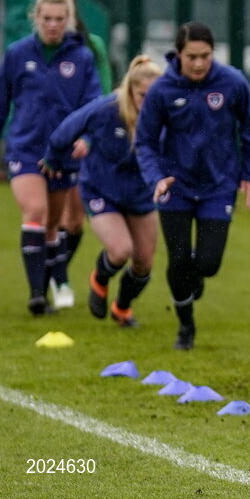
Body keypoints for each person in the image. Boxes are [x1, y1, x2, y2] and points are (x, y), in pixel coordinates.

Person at [135, 22, 250, 350]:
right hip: (174, 187)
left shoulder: (232, 82)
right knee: (178, 262)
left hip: (218, 186)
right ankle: (186, 327)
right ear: (178, 54)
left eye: (205, 56)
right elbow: (145, 141)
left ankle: (195, 273)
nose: (198, 63)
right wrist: (156, 178)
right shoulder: (162, 90)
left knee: (207, 264)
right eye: (191, 56)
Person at [0, 0, 102, 316]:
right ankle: (37, 295)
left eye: (59, 19)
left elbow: (94, 105)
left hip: (63, 153)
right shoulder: (18, 54)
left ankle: (55, 279)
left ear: (69, 19)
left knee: (57, 224)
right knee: (35, 211)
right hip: (25, 149)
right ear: (36, 18)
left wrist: (87, 139)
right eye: (47, 18)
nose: (53, 25)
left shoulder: (81, 57)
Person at [44, 56, 162, 327]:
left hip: (140, 194)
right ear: (130, 90)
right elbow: (68, 128)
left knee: (143, 264)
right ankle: (99, 278)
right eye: (143, 95)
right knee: (120, 250)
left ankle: (121, 308)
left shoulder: (162, 114)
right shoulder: (106, 108)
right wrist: (53, 158)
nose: (149, 102)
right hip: (101, 189)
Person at [50, 0, 113, 307]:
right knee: (46, 216)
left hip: (82, 141)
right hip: (46, 141)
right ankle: (57, 280)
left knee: (74, 222)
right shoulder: (34, 49)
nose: (56, 22)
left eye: (63, 14)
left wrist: (90, 134)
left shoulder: (92, 47)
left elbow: (103, 93)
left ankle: (55, 272)